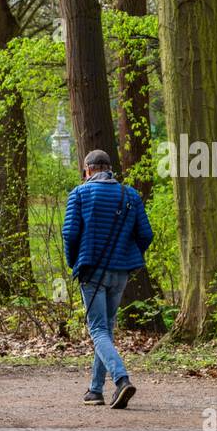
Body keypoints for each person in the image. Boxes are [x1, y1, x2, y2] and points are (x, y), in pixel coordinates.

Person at [62, 149, 154, 409]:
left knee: (98, 329)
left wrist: (75, 263)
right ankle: (95, 390)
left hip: (92, 271)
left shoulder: (79, 193)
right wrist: (126, 256)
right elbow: (145, 235)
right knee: (106, 329)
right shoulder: (130, 195)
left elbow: (70, 234)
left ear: (88, 170)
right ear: (109, 168)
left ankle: (121, 379)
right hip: (120, 273)